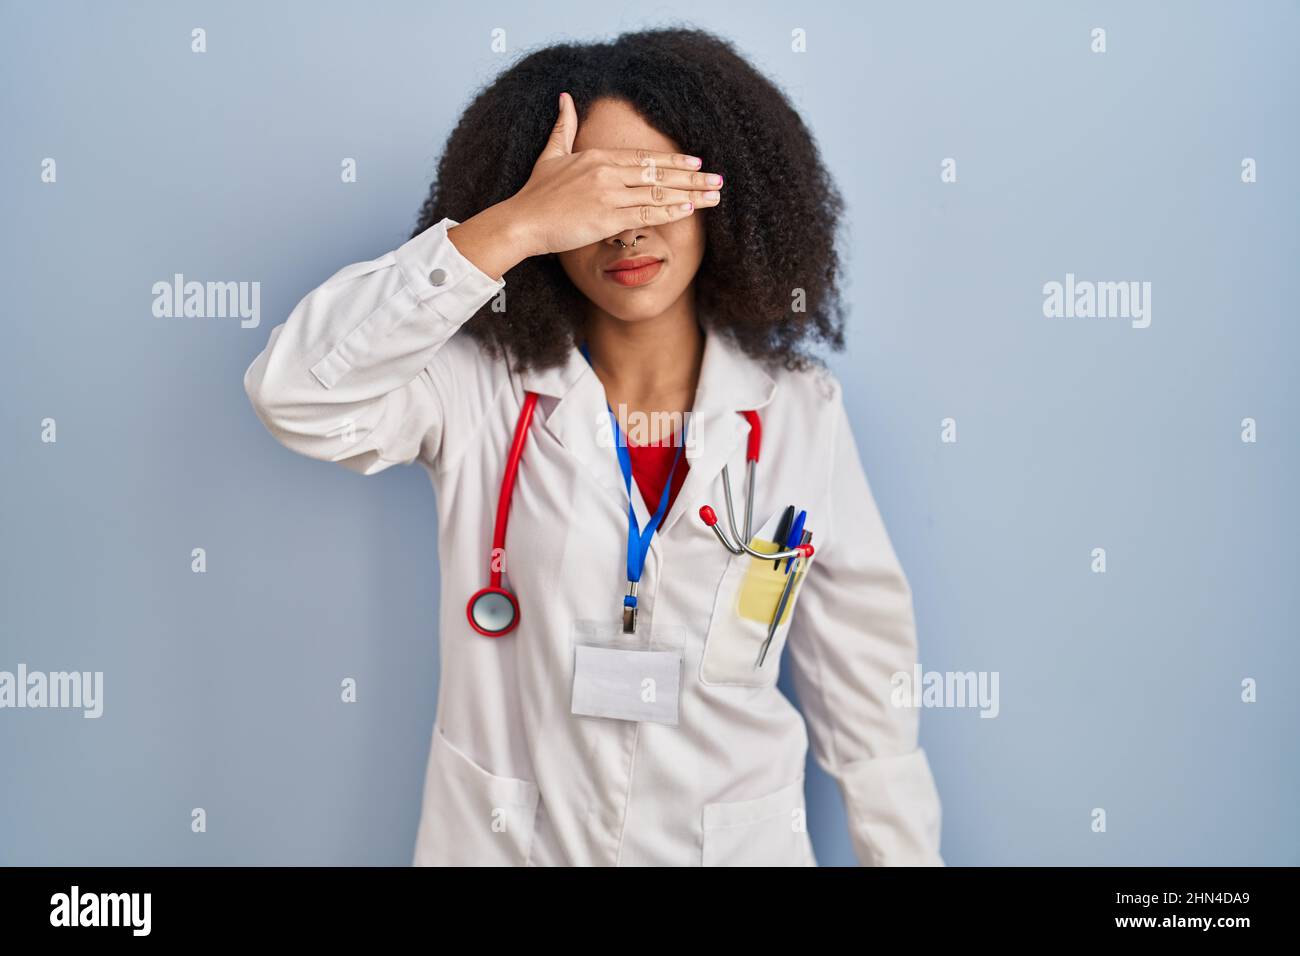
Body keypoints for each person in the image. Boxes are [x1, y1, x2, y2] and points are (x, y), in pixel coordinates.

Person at [243, 28, 942, 867]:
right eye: (593, 198)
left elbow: (871, 694)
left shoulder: (797, 413)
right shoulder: (475, 391)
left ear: (725, 192)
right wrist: (509, 228)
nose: (626, 232)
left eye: (655, 189)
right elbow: (295, 394)